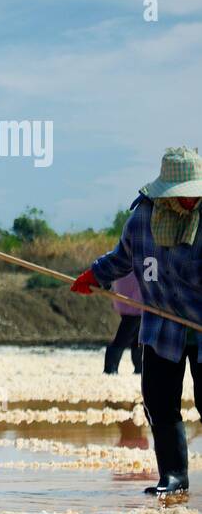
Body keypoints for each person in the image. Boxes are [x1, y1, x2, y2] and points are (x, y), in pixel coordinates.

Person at [73, 146, 202, 495]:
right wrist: (94, 276)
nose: (189, 201)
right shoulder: (143, 217)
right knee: (159, 402)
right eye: (183, 195)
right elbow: (122, 258)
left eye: (194, 195)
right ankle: (173, 477)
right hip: (163, 327)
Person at [104, 273, 143, 375]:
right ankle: (110, 368)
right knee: (124, 336)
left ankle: (140, 368)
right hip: (134, 301)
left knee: (137, 338)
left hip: (132, 300)